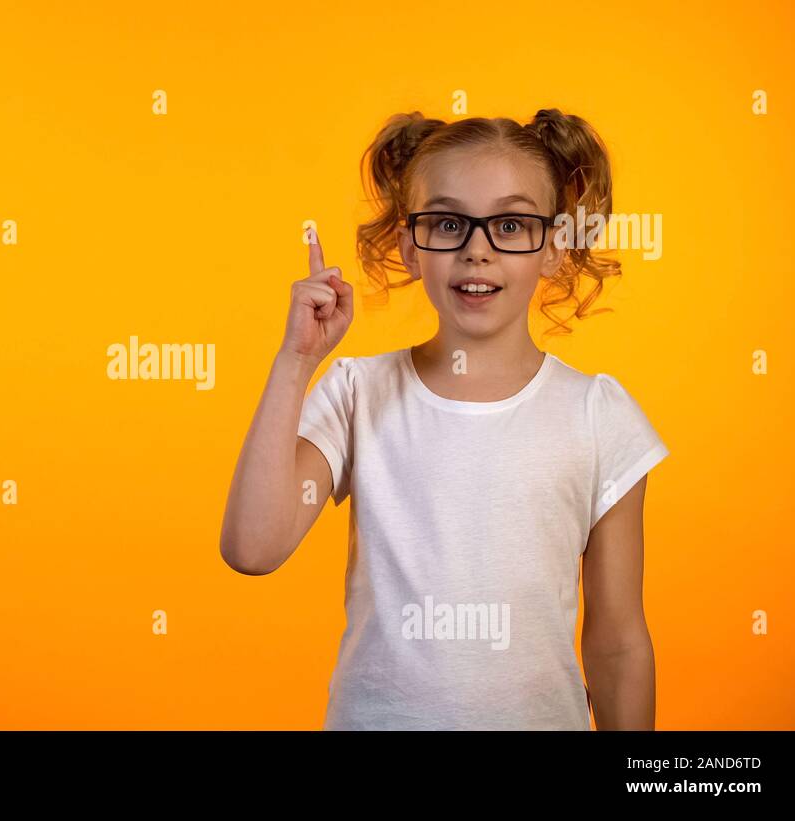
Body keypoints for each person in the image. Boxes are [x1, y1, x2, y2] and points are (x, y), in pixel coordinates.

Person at [219, 110, 669, 730]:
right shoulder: (357, 393)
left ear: (552, 248)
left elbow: (617, 643)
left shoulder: (598, 416)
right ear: (409, 249)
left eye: (510, 224)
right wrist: (297, 362)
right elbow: (253, 547)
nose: (476, 250)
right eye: (449, 223)